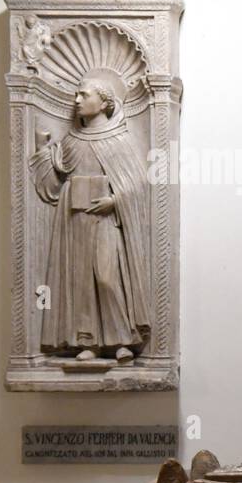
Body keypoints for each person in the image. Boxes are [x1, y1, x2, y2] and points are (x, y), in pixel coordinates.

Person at [30, 68, 153, 363]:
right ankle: (88, 342)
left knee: (108, 276)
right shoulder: (72, 140)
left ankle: (122, 338)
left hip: (107, 218)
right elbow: (52, 182)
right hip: (75, 219)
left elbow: (138, 184)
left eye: (84, 94)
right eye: (76, 94)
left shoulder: (119, 139)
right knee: (80, 281)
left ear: (104, 101)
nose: (76, 100)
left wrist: (114, 199)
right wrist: (42, 149)